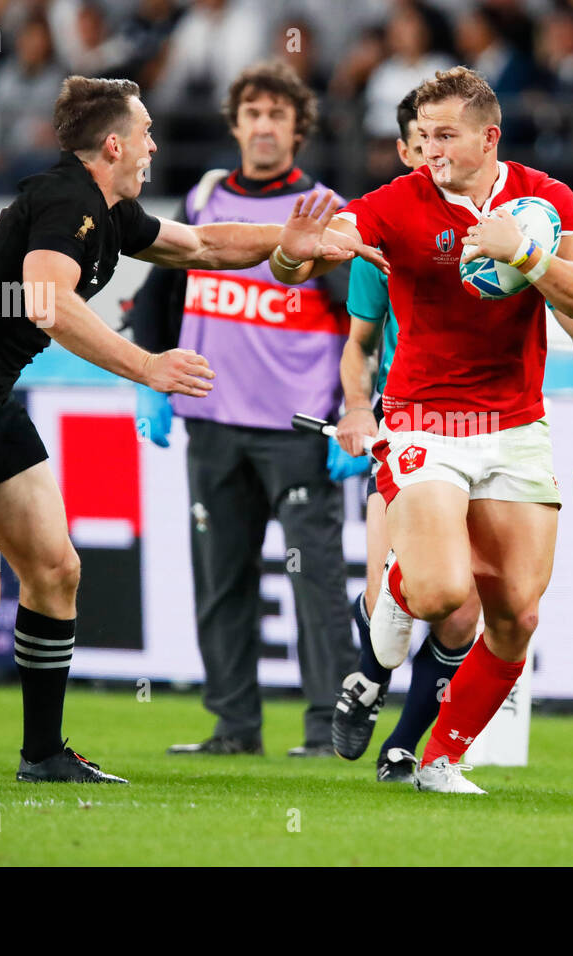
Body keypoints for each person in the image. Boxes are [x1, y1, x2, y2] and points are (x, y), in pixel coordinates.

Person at [0, 75, 383, 784]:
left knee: (56, 571)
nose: (153, 146)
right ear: (113, 144)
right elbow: (49, 302)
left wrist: (288, 238)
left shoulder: (112, 210)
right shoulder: (66, 201)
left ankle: (43, 755)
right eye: (144, 134)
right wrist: (145, 366)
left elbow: (202, 244)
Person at [272, 66, 573, 794]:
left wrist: (523, 253)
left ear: (489, 138)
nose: (430, 150)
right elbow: (324, 243)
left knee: (516, 612)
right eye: (423, 136)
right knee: (440, 593)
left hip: (516, 425)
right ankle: (375, 663)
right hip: (425, 422)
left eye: (446, 136)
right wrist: (298, 249)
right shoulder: (399, 203)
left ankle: (437, 759)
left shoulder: (544, 201)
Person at [127, 60, 357, 759]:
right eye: (252, 113)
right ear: (235, 125)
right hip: (214, 425)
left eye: (277, 115)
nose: (263, 126)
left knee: (313, 583)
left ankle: (328, 732)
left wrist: (358, 406)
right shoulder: (200, 200)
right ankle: (234, 729)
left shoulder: (326, 211)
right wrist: (150, 376)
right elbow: (159, 296)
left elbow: (364, 318)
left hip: (297, 431)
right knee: (221, 582)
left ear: (297, 129)